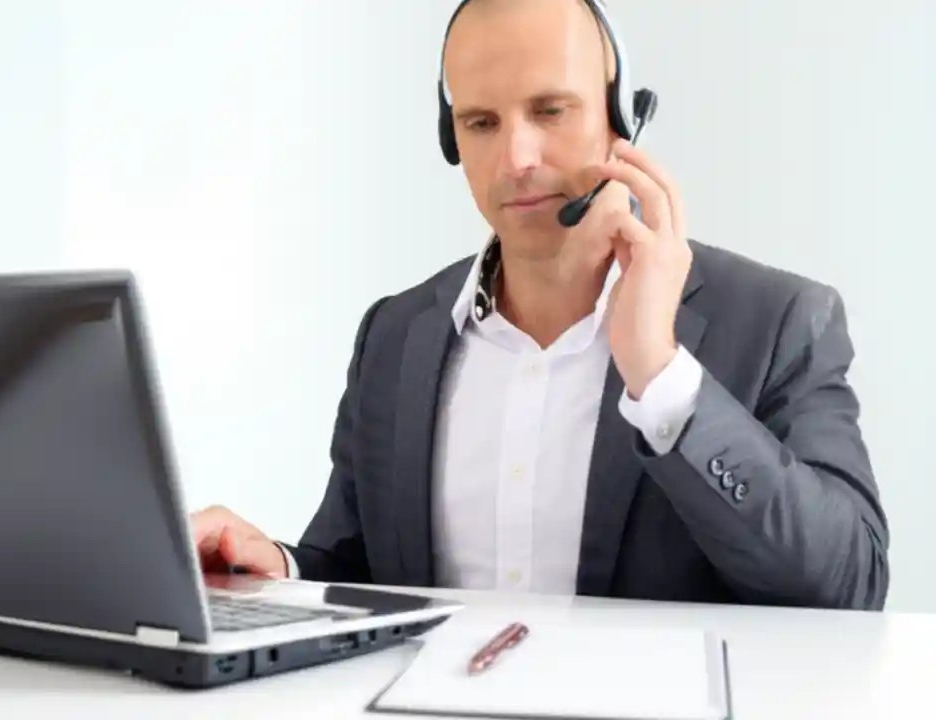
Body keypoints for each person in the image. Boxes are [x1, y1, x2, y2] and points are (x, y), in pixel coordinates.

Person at [190, 0, 889, 610]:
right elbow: (357, 572)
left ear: (624, 118)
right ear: (450, 137)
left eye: (550, 111)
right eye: (481, 122)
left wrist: (662, 374)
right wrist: (277, 570)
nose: (516, 157)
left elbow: (848, 584)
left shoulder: (778, 320)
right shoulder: (395, 335)